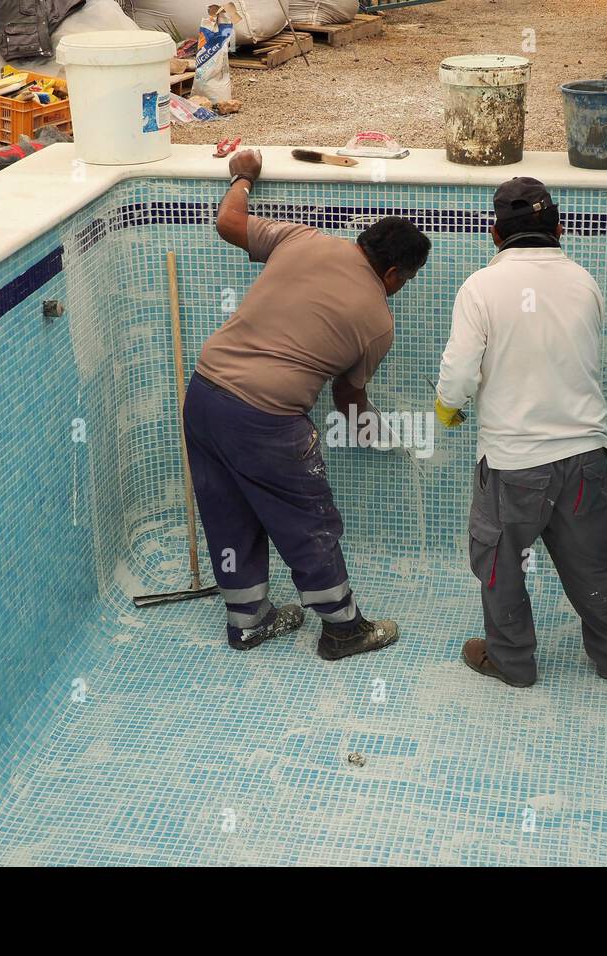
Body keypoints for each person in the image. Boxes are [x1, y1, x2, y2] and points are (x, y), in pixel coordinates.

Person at [184, 148, 432, 661]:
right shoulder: (378, 323)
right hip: (265, 420)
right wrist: (381, 436)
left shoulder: (301, 238)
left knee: (227, 508)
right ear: (392, 273)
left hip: (205, 394)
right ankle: (343, 629)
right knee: (307, 518)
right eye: (403, 282)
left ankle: (249, 621)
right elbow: (348, 400)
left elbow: (228, 222)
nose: (399, 291)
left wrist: (244, 177)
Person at [434, 177, 607, 688]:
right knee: (591, 564)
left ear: (495, 233)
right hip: (586, 456)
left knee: (501, 564)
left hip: (514, 463)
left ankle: (512, 661)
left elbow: (459, 375)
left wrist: (447, 408)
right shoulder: (584, 281)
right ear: (560, 228)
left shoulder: (481, 286)